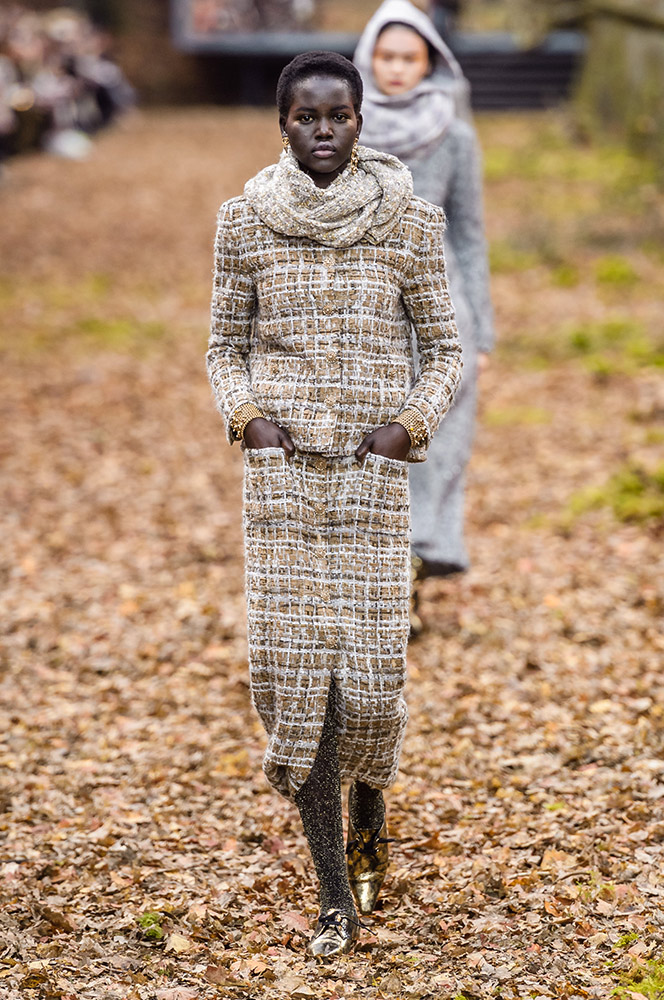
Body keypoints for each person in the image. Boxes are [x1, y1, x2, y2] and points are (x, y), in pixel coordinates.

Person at [206, 51, 462, 957]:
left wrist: (407, 428)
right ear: (282, 124)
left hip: (371, 481)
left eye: (340, 116)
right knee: (293, 680)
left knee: (369, 689)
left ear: (362, 122)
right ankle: (330, 897)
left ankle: (368, 817)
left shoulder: (407, 222)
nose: (323, 130)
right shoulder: (244, 224)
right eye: (306, 116)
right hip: (282, 487)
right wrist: (251, 422)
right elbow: (222, 348)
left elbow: (444, 350)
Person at [354, 0, 495, 627]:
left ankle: (416, 560)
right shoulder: (338, 129)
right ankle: (384, 580)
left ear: (430, 62)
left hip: (443, 316)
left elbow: (469, 236)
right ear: (368, 58)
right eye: (387, 56)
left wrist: (483, 331)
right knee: (370, 443)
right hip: (362, 315)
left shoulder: (456, 137)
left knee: (438, 445)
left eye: (409, 57)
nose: (396, 68)